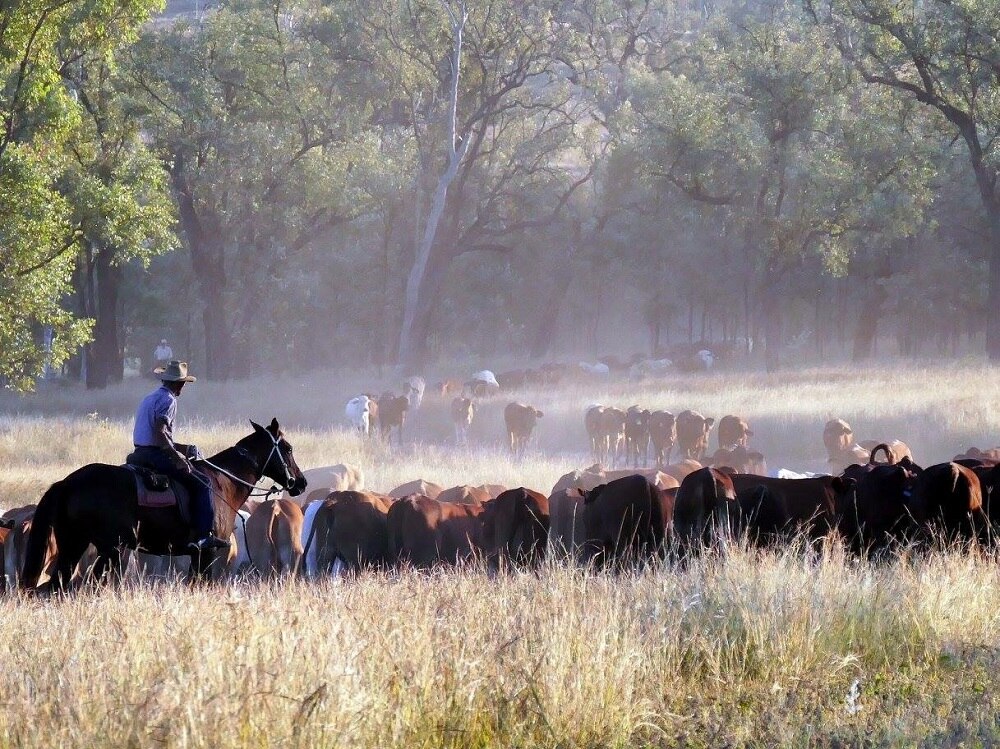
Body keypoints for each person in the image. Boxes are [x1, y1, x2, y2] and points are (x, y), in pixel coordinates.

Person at [131, 360, 230, 551]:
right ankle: (204, 536)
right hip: (155, 455)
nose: (183, 387)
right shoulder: (169, 400)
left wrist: (184, 449)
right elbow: (160, 433)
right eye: (183, 383)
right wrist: (178, 460)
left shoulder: (149, 398)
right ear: (178, 383)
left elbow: (156, 435)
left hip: (139, 454)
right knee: (203, 483)